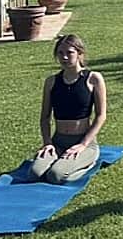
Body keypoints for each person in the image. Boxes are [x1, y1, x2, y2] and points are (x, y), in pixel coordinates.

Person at [30, 34, 107, 184]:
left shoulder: (93, 79)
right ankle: (60, 160)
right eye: (60, 53)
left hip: (83, 142)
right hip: (58, 141)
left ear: (79, 53)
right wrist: (47, 143)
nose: (64, 57)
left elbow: (101, 116)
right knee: (34, 174)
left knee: (55, 176)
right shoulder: (51, 81)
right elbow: (45, 117)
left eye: (69, 53)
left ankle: (89, 164)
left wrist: (83, 144)